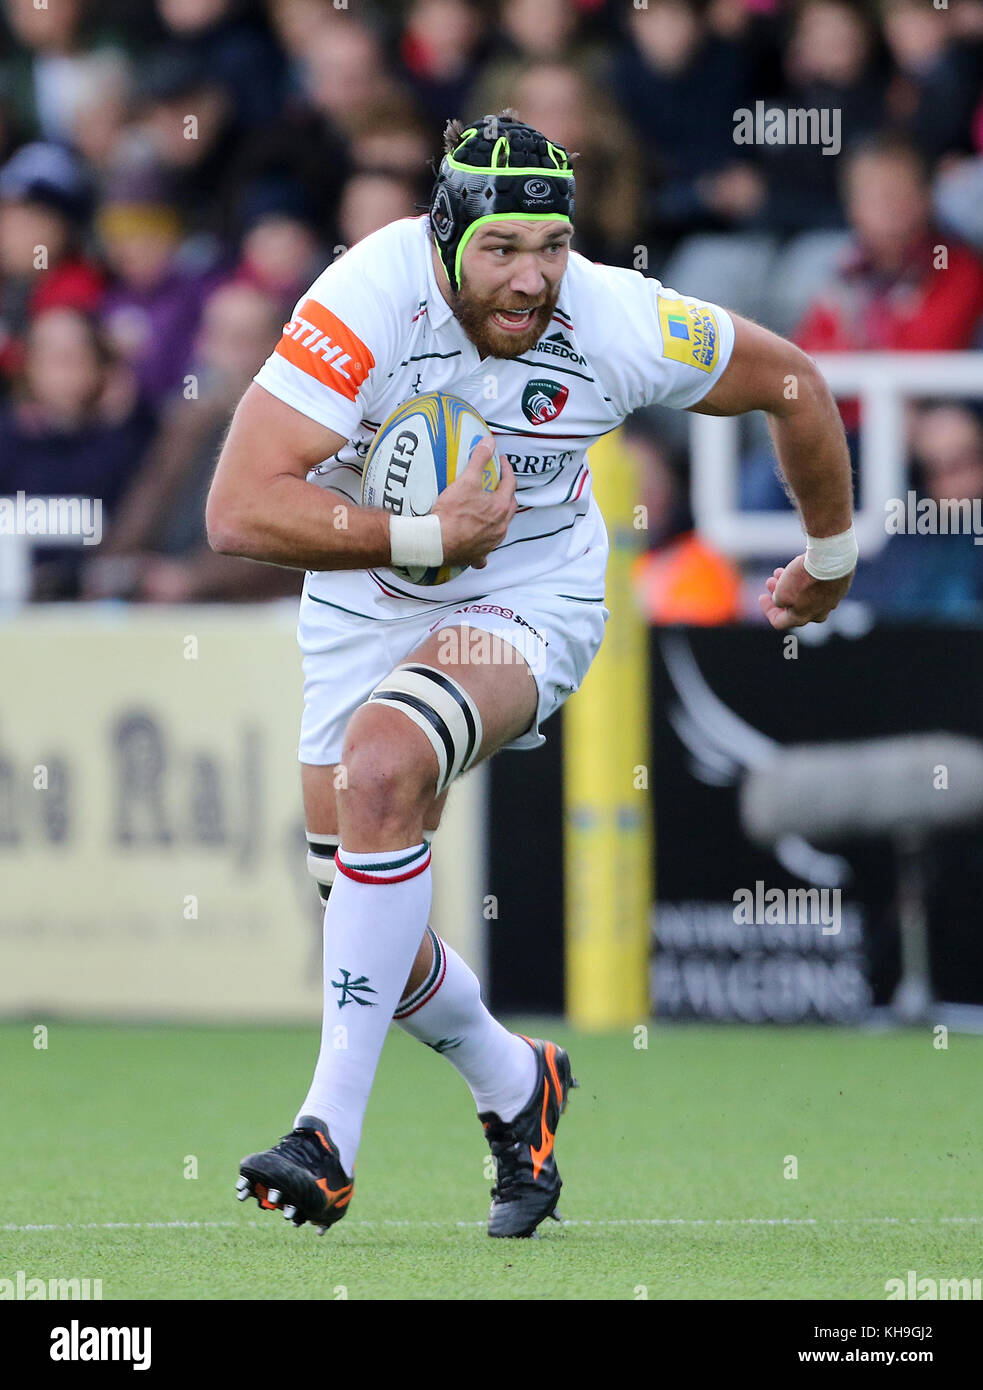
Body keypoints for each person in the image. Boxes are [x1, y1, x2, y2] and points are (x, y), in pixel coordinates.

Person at [206, 110, 856, 1240]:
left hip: (528, 595)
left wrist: (830, 557)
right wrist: (422, 535)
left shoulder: (612, 317)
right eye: (501, 247)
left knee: (381, 768)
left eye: (551, 245)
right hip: (366, 593)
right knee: (356, 900)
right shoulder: (367, 297)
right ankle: (515, 1079)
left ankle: (325, 1136)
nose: (531, 278)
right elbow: (236, 509)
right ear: (444, 235)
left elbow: (791, 382)